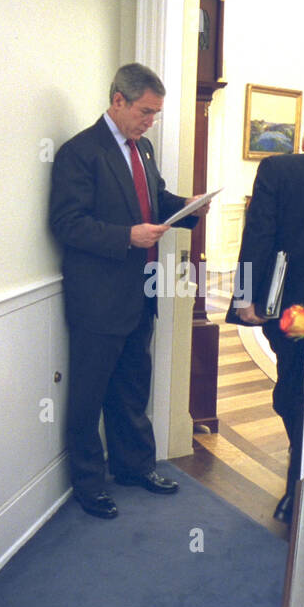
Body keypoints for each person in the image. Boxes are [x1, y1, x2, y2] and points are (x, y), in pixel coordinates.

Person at [49, 63, 206, 519]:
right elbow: (66, 224)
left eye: (155, 114)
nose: (150, 121)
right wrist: (126, 237)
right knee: (90, 395)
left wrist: (191, 208)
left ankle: (134, 466)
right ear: (118, 100)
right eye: (145, 112)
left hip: (142, 294)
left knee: (132, 388)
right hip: (97, 300)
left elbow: (154, 200)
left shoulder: (145, 150)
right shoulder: (79, 152)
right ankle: (90, 485)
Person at [228, 117, 304, 523]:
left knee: (293, 393)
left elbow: (258, 235)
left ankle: (296, 488)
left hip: (289, 308)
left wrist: (245, 296)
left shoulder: (280, 169)